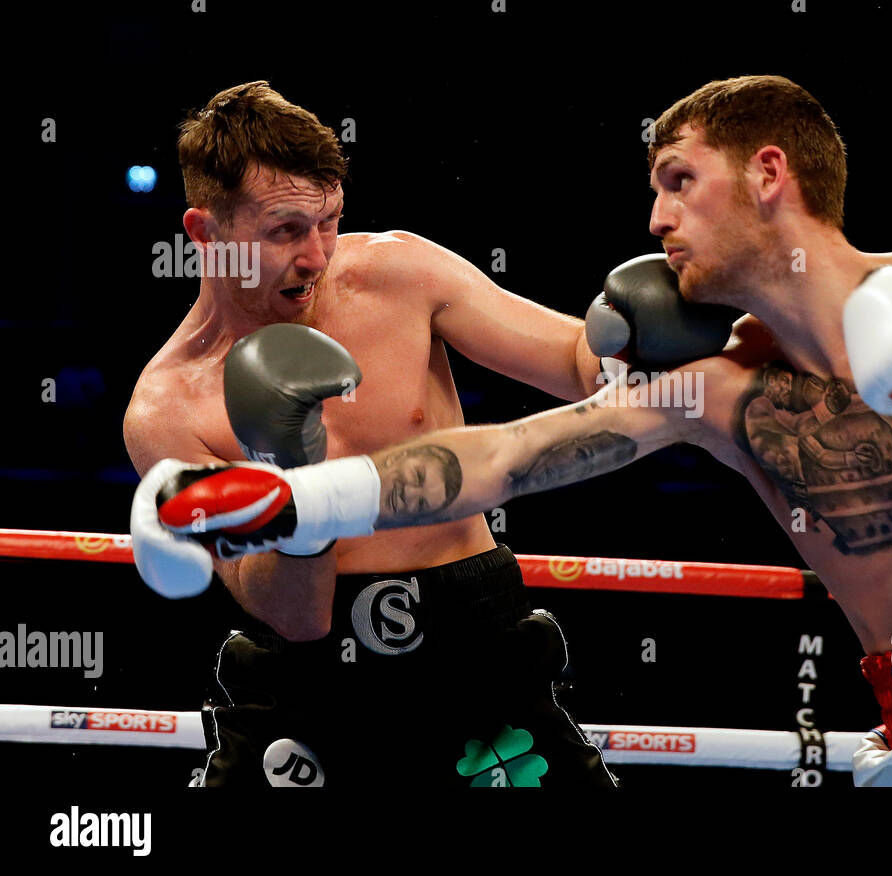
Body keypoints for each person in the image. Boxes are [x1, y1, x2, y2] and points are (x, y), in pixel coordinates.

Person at [134, 75, 892, 786]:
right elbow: (511, 452)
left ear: (767, 176)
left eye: (676, 183)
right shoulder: (719, 387)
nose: (653, 221)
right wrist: (298, 496)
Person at [123, 81, 624, 788]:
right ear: (205, 234)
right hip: (305, 688)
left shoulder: (397, 274)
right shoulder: (167, 409)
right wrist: (295, 472)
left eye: (328, 220)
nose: (317, 255)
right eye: (285, 231)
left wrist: (631, 340)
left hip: (476, 651)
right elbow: (294, 615)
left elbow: (576, 362)